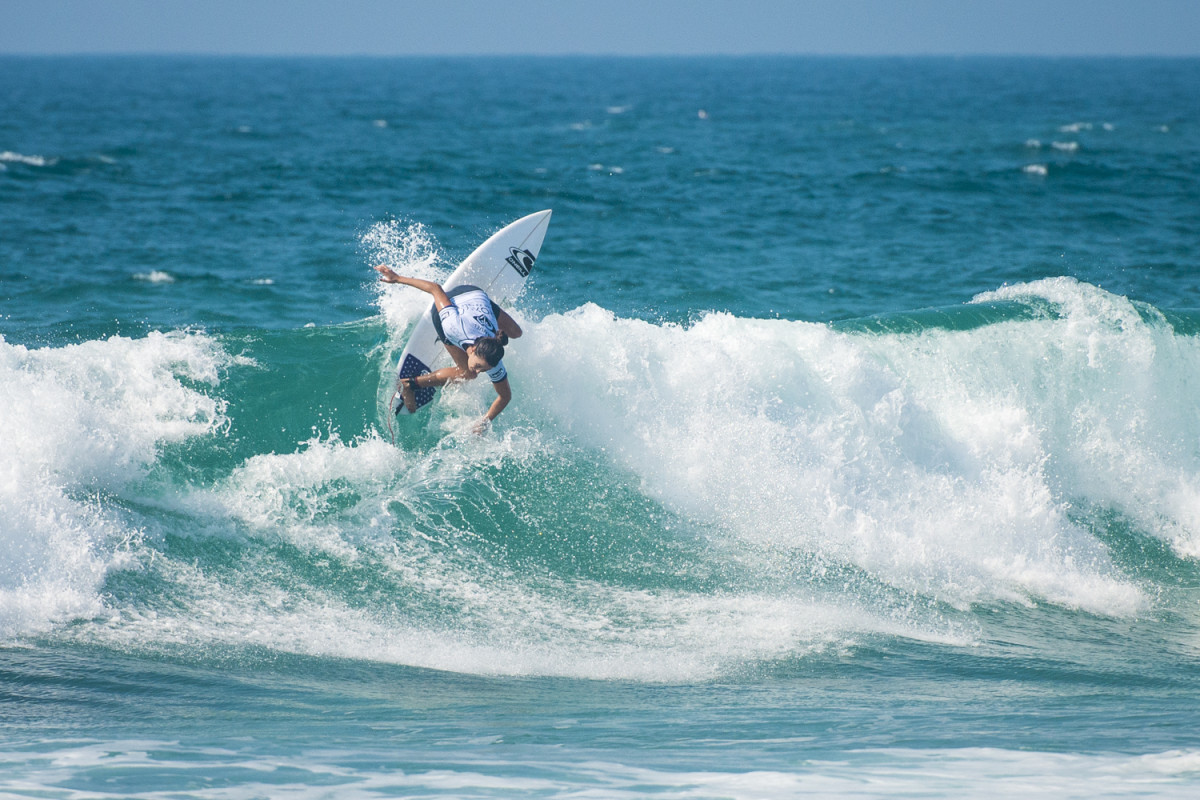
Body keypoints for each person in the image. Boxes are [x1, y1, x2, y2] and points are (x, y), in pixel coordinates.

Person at [374, 265, 523, 429]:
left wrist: (484, 421)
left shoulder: (493, 360)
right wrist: (397, 278)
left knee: (517, 333)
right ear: (473, 350)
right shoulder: (454, 326)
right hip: (461, 299)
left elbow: (505, 396)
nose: (478, 371)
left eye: (484, 369)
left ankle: (487, 314)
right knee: (467, 374)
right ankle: (411, 384)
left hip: (478, 300)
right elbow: (435, 288)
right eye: (478, 366)